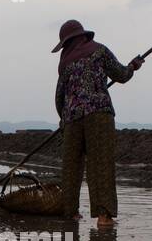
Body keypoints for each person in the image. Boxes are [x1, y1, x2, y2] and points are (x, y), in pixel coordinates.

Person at [51, 20, 143, 227]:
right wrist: (133, 66)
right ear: (82, 35)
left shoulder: (64, 62)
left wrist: (64, 117)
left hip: (71, 119)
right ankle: (104, 217)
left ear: (67, 41)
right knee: (100, 164)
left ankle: (70, 213)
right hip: (98, 115)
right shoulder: (99, 51)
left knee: (71, 167)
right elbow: (121, 75)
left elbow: (59, 97)